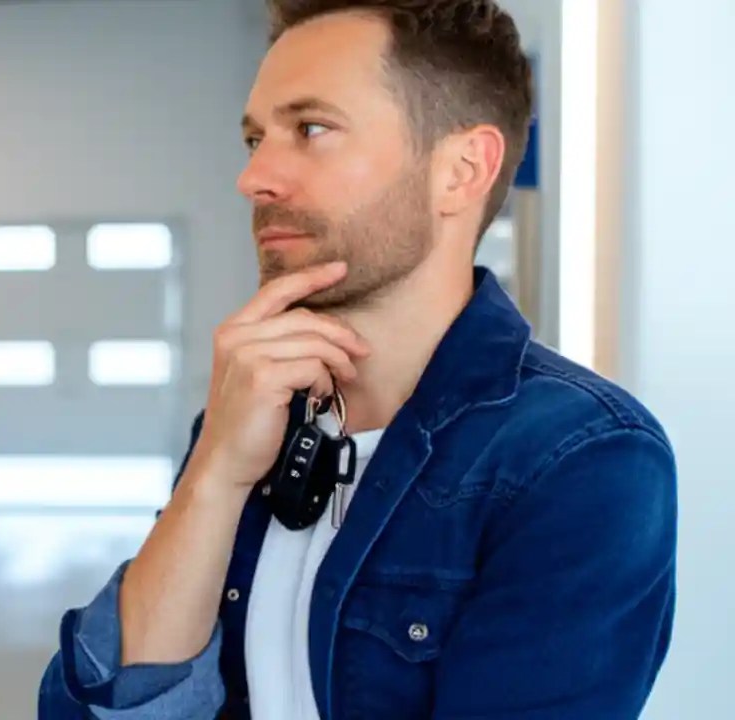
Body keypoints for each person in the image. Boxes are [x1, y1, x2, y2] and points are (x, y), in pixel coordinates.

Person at [38, 0, 677, 717]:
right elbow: (104, 709)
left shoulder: (580, 461)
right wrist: (216, 472)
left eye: (312, 130)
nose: (255, 178)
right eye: (256, 139)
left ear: (463, 170)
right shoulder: (251, 420)